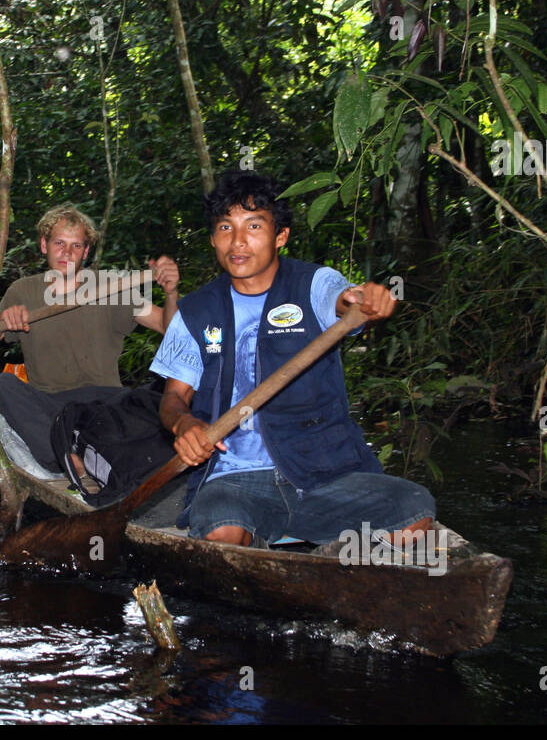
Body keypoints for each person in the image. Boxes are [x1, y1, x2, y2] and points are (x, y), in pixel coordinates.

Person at [150, 170, 434, 549]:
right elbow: (173, 398)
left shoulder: (313, 283)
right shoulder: (195, 311)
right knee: (221, 535)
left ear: (280, 236)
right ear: (213, 239)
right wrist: (184, 424)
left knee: (414, 512)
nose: (238, 241)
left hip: (323, 472)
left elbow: (343, 298)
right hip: (234, 478)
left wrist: (360, 301)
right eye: (224, 227)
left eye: (253, 226)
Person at [0, 204, 179, 473]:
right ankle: (65, 456)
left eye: (76, 246)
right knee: (2, 384)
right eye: (59, 243)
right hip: (51, 408)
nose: (67, 253)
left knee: (156, 397)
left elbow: (168, 327)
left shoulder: (111, 285)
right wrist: (1, 324)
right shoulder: (23, 290)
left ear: (86, 252)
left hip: (107, 402)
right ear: (44, 245)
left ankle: (94, 452)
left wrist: (171, 293)